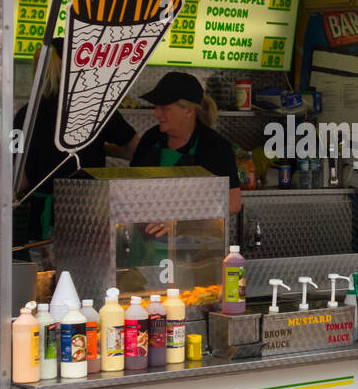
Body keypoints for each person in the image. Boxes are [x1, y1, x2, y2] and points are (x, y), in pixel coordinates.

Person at [14, 42, 138, 242]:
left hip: (41, 222)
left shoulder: (25, 114)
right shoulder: (94, 106)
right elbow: (135, 150)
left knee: (45, 272)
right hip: (89, 217)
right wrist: (100, 150)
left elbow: (20, 181)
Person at [130, 72, 242, 219]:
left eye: (164, 108)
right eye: (156, 107)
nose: (156, 114)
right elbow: (130, 186)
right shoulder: (151, 138)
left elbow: (233, 204)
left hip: (194, 238)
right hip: (145, 236)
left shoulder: (214, 146)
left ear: (188, 111)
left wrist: (177, 218)